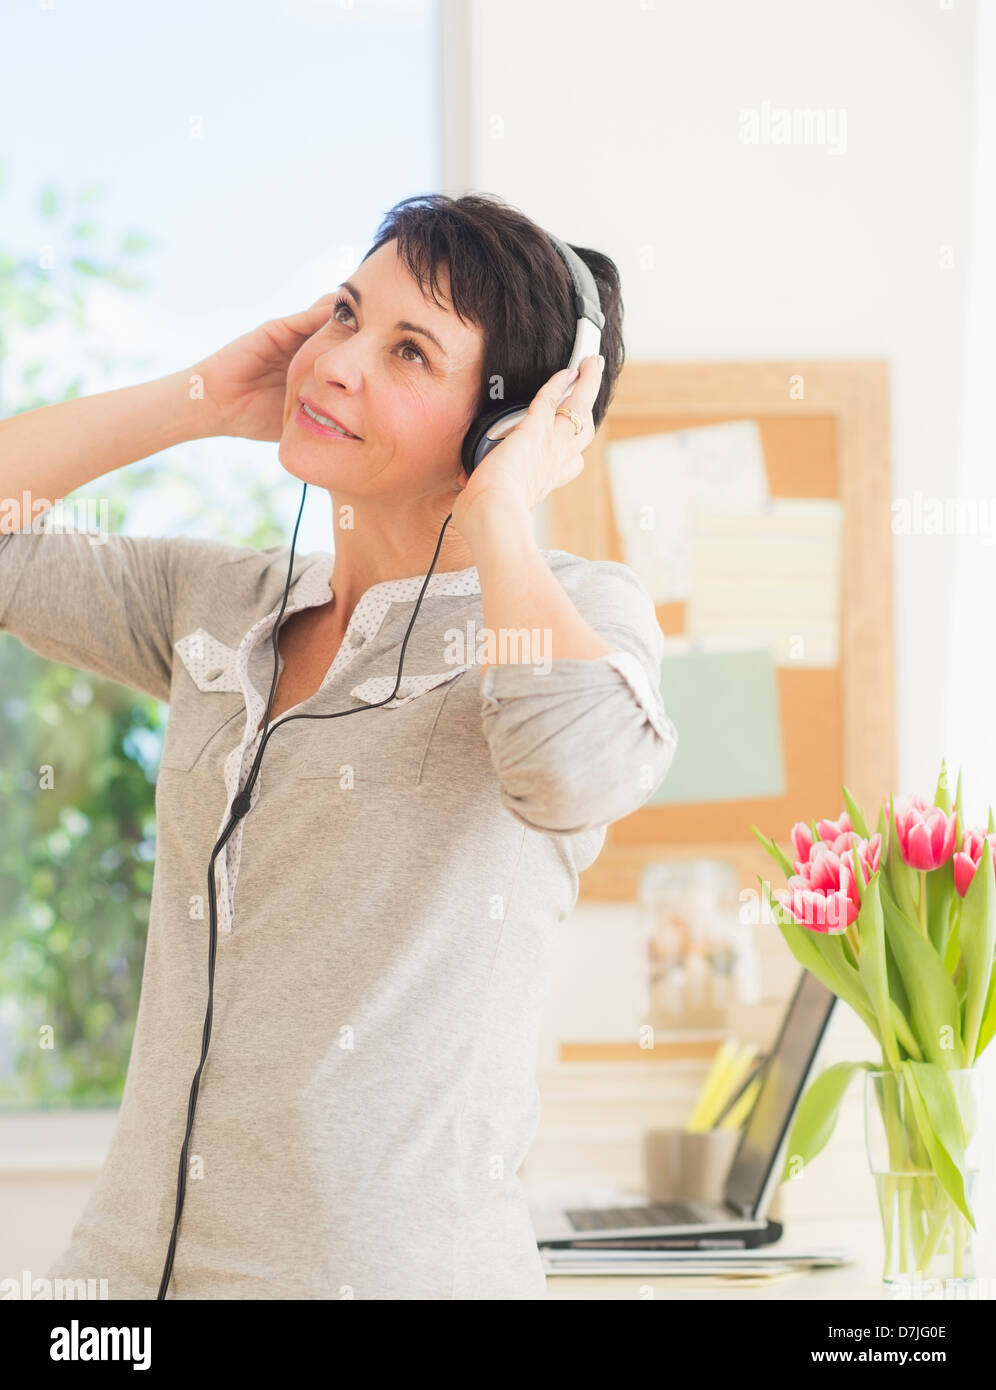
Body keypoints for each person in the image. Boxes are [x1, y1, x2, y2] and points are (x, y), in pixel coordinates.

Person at [0, 192, 678, 1299]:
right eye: (347, 316)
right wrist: (198, 399)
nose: (340, 362)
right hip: (125, 1282)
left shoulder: (573, 613)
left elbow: (577, 769)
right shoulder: (219, 601)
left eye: (411, 351)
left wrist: (504, 499)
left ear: (503, 422)